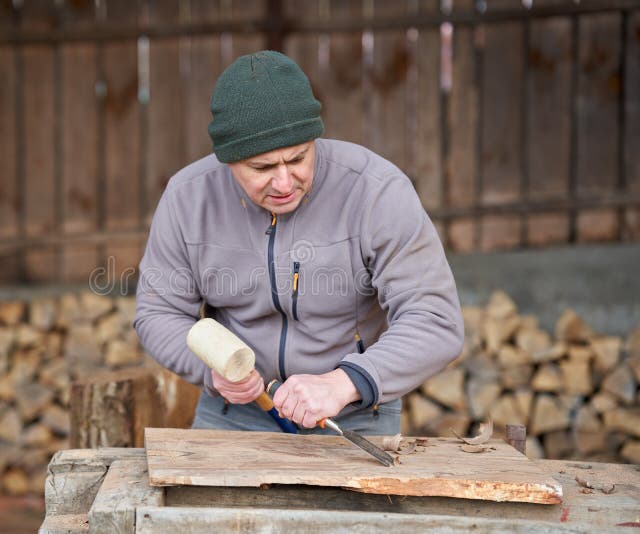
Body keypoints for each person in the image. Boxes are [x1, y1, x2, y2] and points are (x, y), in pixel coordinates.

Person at [133, 50, 464, 435]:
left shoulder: (377, 192)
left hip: (352, 414)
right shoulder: (188, 198)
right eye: (262, 168)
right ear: (226, 160)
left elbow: (436, 321)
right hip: (234, 413)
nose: (285, 183)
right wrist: (211, 371)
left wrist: (344, 383)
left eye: (298, 158)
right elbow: (158, 312)